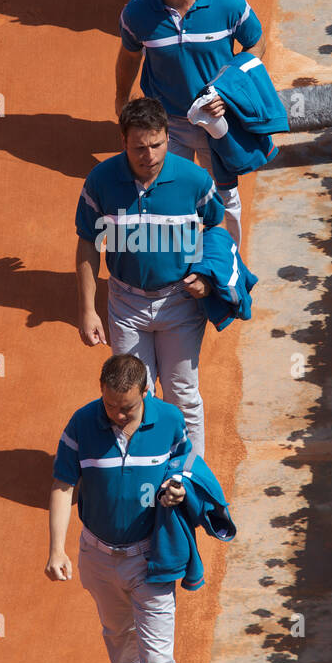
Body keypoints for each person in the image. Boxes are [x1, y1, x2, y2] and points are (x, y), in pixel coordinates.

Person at [45, 353, 190, 663]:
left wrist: (179, 487)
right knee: (115, 627)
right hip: (98, 554)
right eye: (109, 405)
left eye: (125, 407)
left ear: (146, 392)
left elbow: (186, 468)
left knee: (160, 662)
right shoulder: (83, 423)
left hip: (151, 560)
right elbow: (63, 485)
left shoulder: (169, 421)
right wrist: (56, 549)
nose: (117, 414)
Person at [75, 97, 223, 458]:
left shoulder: (194, 180)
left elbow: (216, 231)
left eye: (156, 145)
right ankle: (145, 468)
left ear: (168, 138)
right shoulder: (101, 181)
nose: (149, 155)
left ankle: (189, 477)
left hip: (181, 304)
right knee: (134, 395)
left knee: (182, 393)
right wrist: (88, 310)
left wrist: (206, 276)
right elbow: (88, 244)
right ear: (123, 141)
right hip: (126, 304)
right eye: (139, 147)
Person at [115, 0, 265, 245]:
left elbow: (256, 44)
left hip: (217, 121)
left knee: (225, 198)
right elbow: (129, 57)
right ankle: (181, 270)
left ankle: (227, 273)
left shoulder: (229, 5)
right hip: (166, 125)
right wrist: (121, 98)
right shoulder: (137, 15)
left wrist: (230, 91)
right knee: (171, 201)